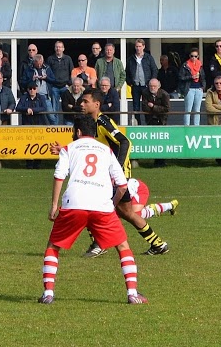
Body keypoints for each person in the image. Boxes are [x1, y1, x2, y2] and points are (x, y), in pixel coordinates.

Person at [41, 116, 146, 306]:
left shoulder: (68, 148)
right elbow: (122, 185)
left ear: (78, 132)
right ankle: (132, 294)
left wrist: (54, 205)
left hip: (74, 203)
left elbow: (59, 176)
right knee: (123, 247)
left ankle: (48, 293)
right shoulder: (106, 150)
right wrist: (112, 206)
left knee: (53, 246)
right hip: (102, 206)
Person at [76, 88, 169, 258]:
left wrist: (116, 170)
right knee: (127, 213)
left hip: (115, 177)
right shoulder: (90, 124)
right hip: (107, 176)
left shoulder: (103, 122)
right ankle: (158, 244)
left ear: (96, 104)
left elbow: (125, 142)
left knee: (87, 205)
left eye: (85, 101)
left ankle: (99, 243)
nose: (81, 104)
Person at [127, 39, 156, 114]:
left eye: (140, 46)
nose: (138, 48)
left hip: (146, 85)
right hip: (135, 86)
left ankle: (148, 123)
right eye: (136, 46)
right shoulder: (131, 59)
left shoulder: (149, 58)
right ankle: (137, 123)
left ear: (143, 46)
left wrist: (151, 82)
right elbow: (126, 73)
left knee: (147, 105)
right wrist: (130, 82)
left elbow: (154, 70)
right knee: (136, 106)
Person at [179, 48, 204, 126]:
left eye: (195, 56)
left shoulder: (200, 65)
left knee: (197, 110)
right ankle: (187, 127)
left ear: (198, 56)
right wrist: (191, 77)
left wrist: (203, 86)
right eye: (192, 56)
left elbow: (203, 76)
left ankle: (196, 127)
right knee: (188, 110)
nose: (193, 58)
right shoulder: (185, 65)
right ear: (189, 56)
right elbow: (181, 77)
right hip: (189, 88)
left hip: (198, 88)